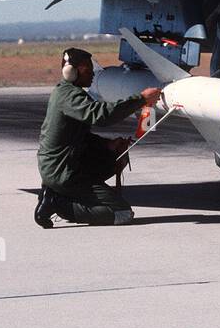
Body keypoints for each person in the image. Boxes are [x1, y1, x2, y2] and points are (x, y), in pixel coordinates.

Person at [35, 47, 161, 228]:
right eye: (88, 70)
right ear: (72, 72)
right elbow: (100, 115)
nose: (93, 74)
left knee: (115, 157)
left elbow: (79, 136)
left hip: (61, 167)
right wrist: (140, 99)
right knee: (122, 213)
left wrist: (108, 144)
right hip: (63, 172)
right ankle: (58, 203)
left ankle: (59, 193)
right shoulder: (70, 96)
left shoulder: (64, 92)